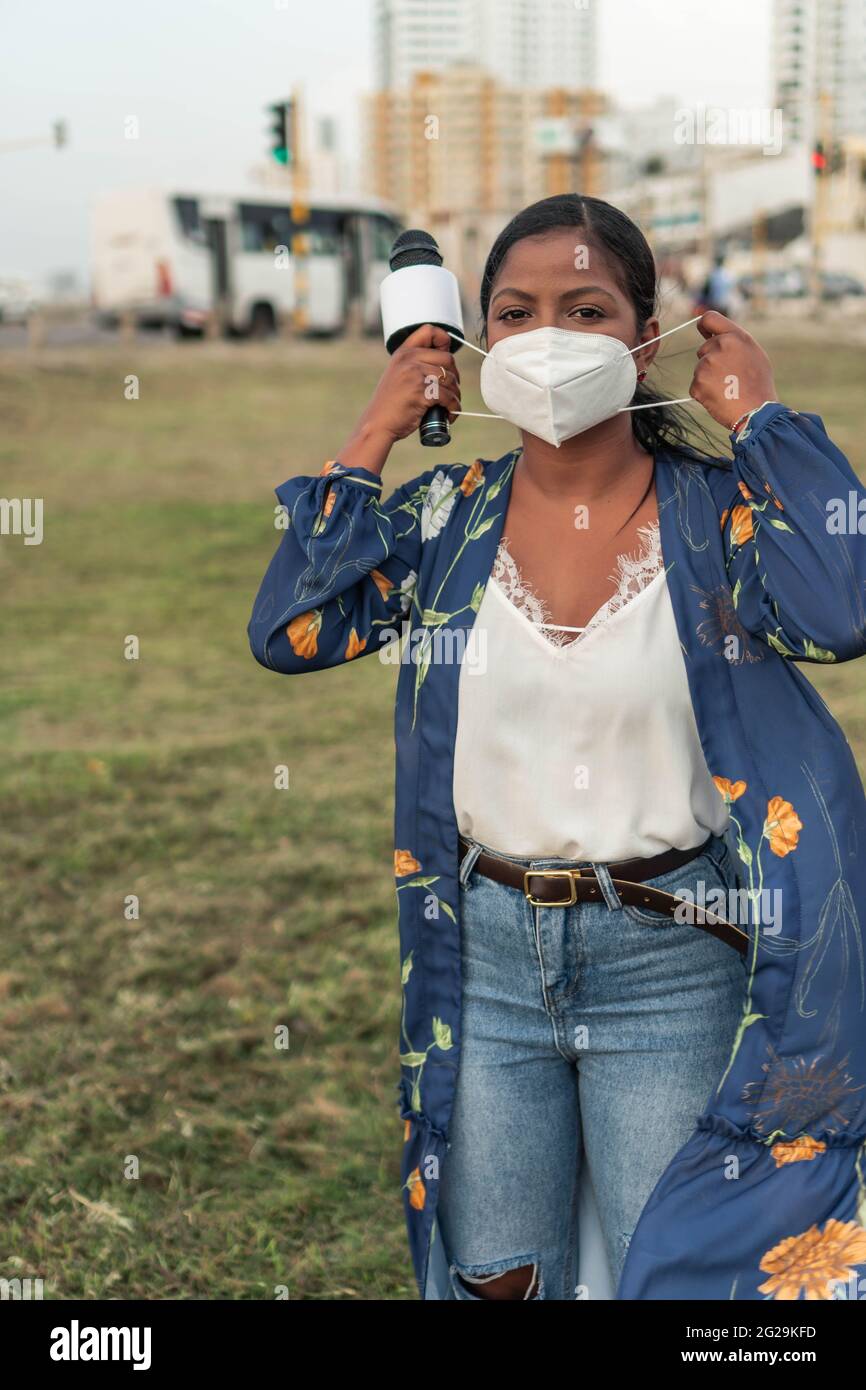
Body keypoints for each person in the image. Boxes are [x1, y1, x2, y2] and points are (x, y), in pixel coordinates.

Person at [248, 194, 866, 1302]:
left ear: (642, 337)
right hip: (481, 959)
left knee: (666, 1276)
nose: (546, 339)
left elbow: (840, 605)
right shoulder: (445, 519)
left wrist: (762, 421)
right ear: (471, 342)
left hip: (669, 961)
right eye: (515, 311)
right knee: (497, 1275)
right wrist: (374, 433)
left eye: (583, 309)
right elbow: (290, 629)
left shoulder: (716, 519)